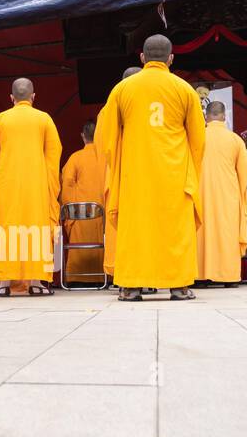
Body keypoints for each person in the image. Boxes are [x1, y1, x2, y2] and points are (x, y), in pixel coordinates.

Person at [97, 34, 205, 301]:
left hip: (136, 175)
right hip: (174, 174)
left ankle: (132, 287)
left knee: (137, 230)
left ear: (143, 58)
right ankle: (179, 286)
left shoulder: (123, 89)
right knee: (174, 231)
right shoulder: (184, 90)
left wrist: (120, 166)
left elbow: (106, 139)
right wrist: (191, 172)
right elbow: (198, 142)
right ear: (170, 59)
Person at [0, 77, 62, 295]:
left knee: (4, 230)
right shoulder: (44, 119)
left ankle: (3, 285)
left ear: (11, 98)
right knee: (37, 229)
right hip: (37, 186)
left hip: (5, 186)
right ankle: (36, 283)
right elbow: (53, 157)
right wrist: (51, 187)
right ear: (33, 97)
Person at [196, 100, 247, 285]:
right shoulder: (234, 139)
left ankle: (200, 276)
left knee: (201, 233)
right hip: (227, 194)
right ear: (224, 116)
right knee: (226, 232)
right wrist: (238, 188)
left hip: (200, 192)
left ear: (206, 116)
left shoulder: (197, 136)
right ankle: (228, 277)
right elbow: (245, 168)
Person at [95, 66, 142, 283]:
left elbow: (101, 147)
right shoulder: (144, 106)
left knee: (119, 225)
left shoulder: (106, 110)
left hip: (115, 174)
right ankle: (142, 273)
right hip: (142, 173)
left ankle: (122, 273)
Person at [60, 120, 106, 283]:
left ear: (82, 136)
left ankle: (76, 277)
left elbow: (66, 184)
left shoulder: (75, 158)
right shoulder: (106, 158)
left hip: (80, 216)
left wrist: (70, 215)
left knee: (78, 244)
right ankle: (107, 274)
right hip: (103, 216)